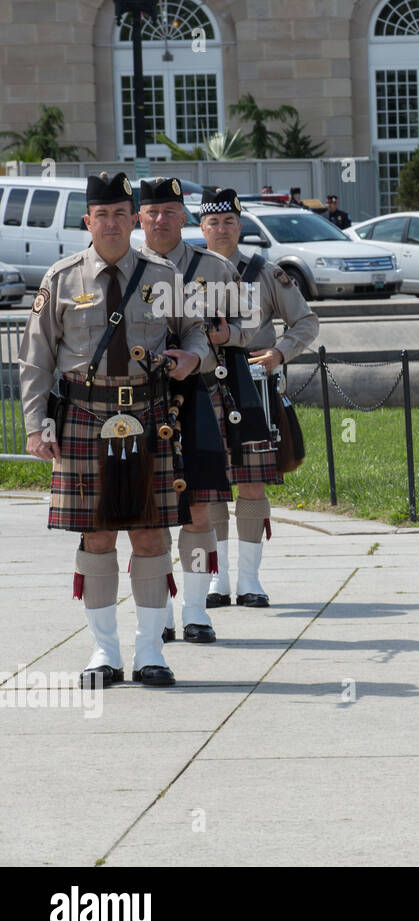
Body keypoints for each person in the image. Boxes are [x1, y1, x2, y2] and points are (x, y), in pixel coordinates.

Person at [18, 172, 207, 688]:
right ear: (88, 221)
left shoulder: (163, 276)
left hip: (149, 417)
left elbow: (195, 332)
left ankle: (152, 652)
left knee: (150, 535)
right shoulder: (61, 279)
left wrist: (193, 357)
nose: (111, 223)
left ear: (134, 220)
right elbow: (35, 362)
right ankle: (104, 652)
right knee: (96, 537)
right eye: (101, 215)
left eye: (121, 214)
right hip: (83, 416)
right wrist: (37, 427)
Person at [138, 177, 250, 645]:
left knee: (200, 509)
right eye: (152, 212)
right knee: (148, 514)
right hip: (138, 404)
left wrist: (217, 342)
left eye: (170, 211)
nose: (161, 220)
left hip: (198, 398)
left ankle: (196, 609)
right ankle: (159, 610)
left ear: (185, 217)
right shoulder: (124, 268)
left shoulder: (215, 268)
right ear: (139, 218)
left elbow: (248, 327)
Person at [196, 187, 320, 609]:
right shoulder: (186, 273)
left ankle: (249, 580)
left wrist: (282, 352)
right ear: (201, 227)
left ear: (241, 225)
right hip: (204, 386)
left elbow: (305, 320)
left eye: (229, 221)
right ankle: (217, 579)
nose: (222, 229)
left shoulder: (265, 272)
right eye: (213, 221)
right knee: (210, 486)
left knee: (250, 484)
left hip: (252, 387)